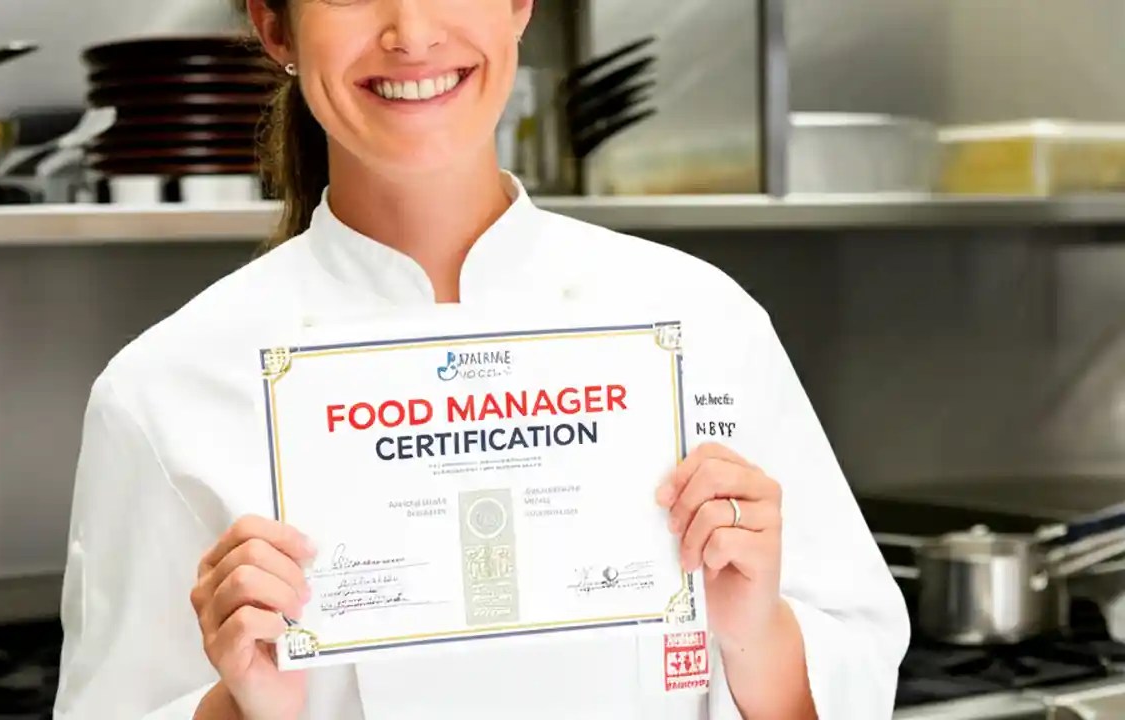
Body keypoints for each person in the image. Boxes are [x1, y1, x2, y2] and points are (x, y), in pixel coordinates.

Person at [52, 0, 910, 718]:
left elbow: (859, 673)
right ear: (277, 29)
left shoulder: (704, 323)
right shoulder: (164, 390)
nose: (412, 32)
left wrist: (756, 631)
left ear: (518, 6)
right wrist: (240, 708)